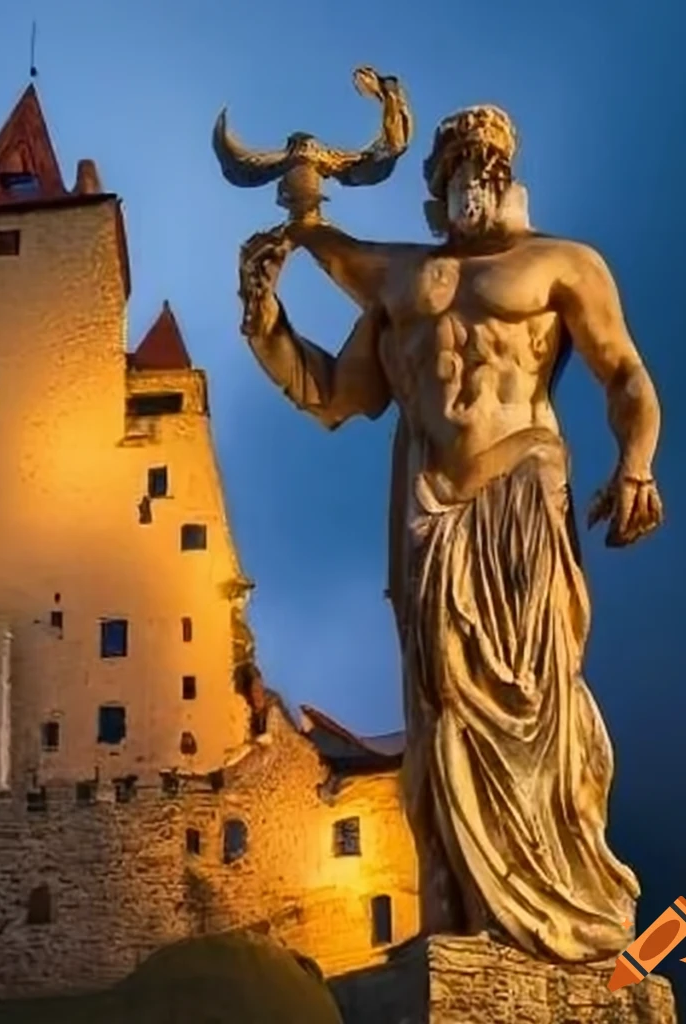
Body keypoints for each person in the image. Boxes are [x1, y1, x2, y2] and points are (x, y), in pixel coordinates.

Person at [236, 104, 663, 963]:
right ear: (438, 186)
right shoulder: (401, 284)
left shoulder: (563, 264)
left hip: (524, 491)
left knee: (536, 699)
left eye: (487, 167)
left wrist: (637, 465)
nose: (474, 180)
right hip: (435, 515)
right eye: (459, 167)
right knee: (443, 713)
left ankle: (556, 913)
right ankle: (458, 922)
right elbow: (334, 396)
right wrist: (265, 320)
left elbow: (623, 373)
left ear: (507, 178)